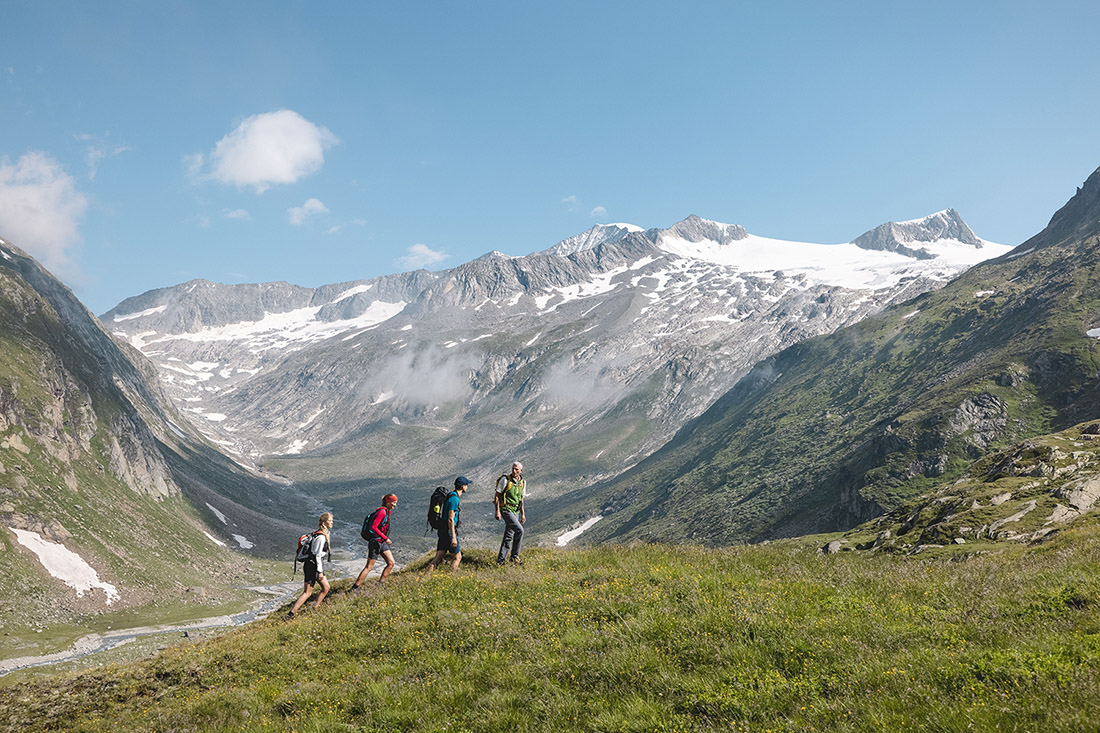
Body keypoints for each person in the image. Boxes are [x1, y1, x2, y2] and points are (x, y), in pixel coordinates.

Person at [285, 512, 333, 620]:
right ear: (324, 522)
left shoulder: (318, 534)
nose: (331, 523)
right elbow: (317, 555)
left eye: (331, 521)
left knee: (326, 588)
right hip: (313, 566)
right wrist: (319, 571)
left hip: (312, 565)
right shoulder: (321, 537)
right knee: (307, 592)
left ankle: (314, 608)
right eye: (329, 521)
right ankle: (291, 614)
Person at [351, 493, 398, 590]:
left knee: (391, 563)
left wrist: (384, 539)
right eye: (393, 502)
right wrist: (385, 538)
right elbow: (374, 527)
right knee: (369, 567)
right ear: (388, 502)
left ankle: (380, 585)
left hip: (381, 542)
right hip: (376, 542)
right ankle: (354, 588)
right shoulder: (382, 512)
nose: (395, 505)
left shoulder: (386, 512)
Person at [425, 477, 468, 573]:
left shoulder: (450, 495)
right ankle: (451, 577)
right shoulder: (454, 499)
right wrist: (453, 537)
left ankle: (425, 577)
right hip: (448, 530)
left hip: (442, 529)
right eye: (466, 485)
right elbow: (450, 519)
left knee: (439, 556)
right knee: (457, 557)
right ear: (462, 486)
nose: (467, 487)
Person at [494, 461, 526, 565]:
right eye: (513, 468)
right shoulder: (505, 480)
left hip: (516, 510)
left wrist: (523, 514)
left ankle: (501, 560)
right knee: (520, 530)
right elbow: (497, 495)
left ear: (521, 471)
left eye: (516, 469)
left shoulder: (522, 482)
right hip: (506, 509)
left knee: (509, 534)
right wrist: (497, 511)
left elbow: (521, 499)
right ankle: (514, 557)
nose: (514, 471)